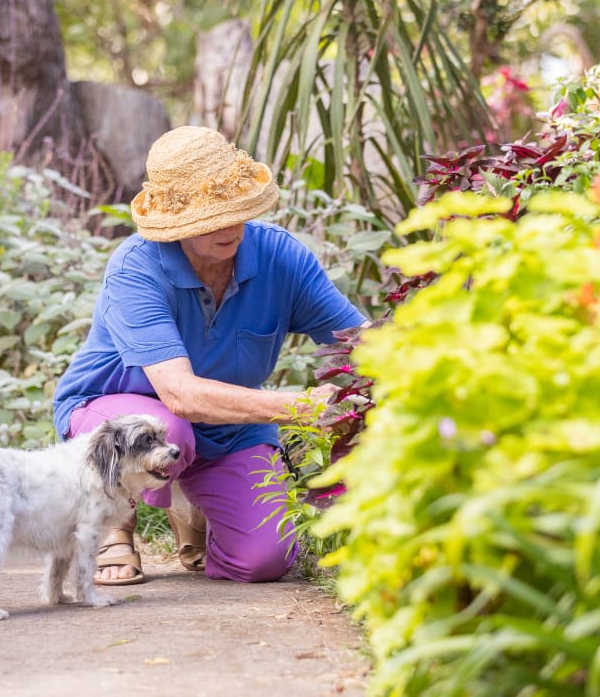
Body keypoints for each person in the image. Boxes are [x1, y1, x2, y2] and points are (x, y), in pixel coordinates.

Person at [52, 126, 365, 585]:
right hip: (117, 414)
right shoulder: (136, 268)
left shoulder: (280, 257)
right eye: (210, 217)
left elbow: (358, 343)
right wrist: (303, 408)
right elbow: (180, 395)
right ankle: (111, 524)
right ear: (176, 224)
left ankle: (194, 508)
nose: (230, 226)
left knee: (266, 559)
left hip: (227, 425)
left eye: (237, 209)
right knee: (170, 430)